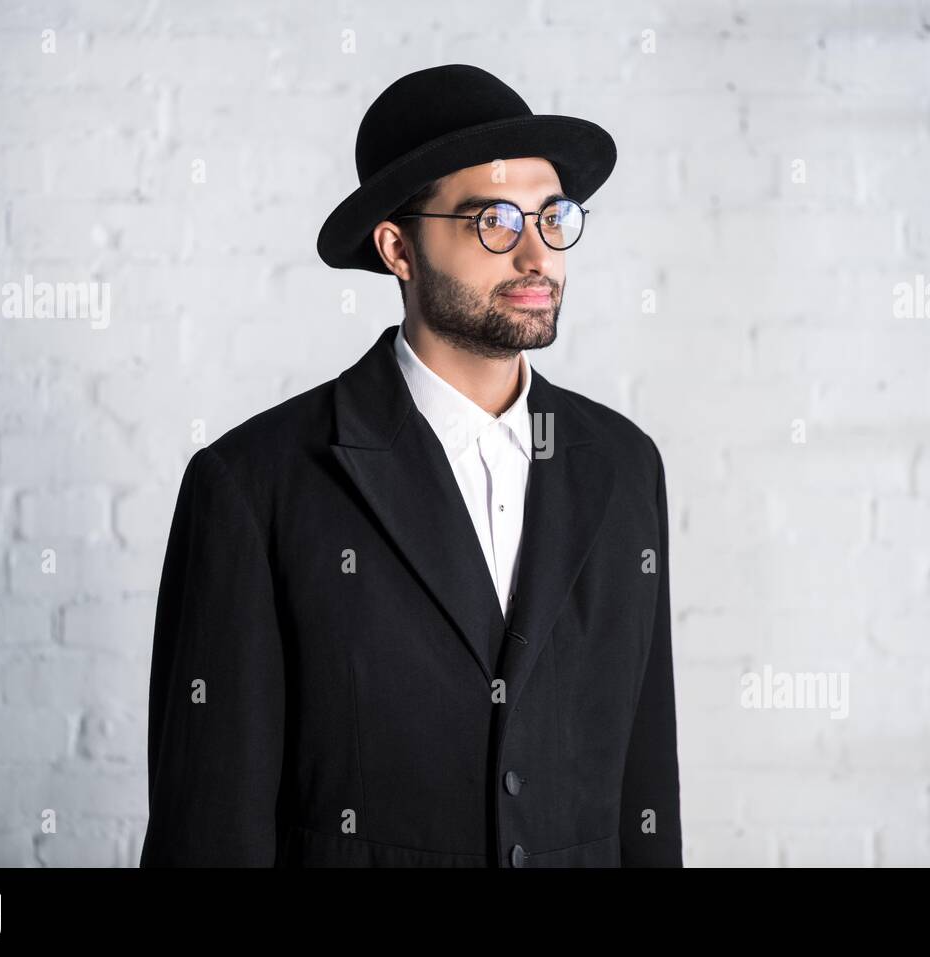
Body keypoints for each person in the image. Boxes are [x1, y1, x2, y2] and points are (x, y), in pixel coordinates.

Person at [140, 63, 681, 867]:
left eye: (554, 216)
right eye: (493, 220)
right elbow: (210, 832)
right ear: (399, 247)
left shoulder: (625, 466)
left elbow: (646, 794)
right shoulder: (253, 485)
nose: (537, 254)